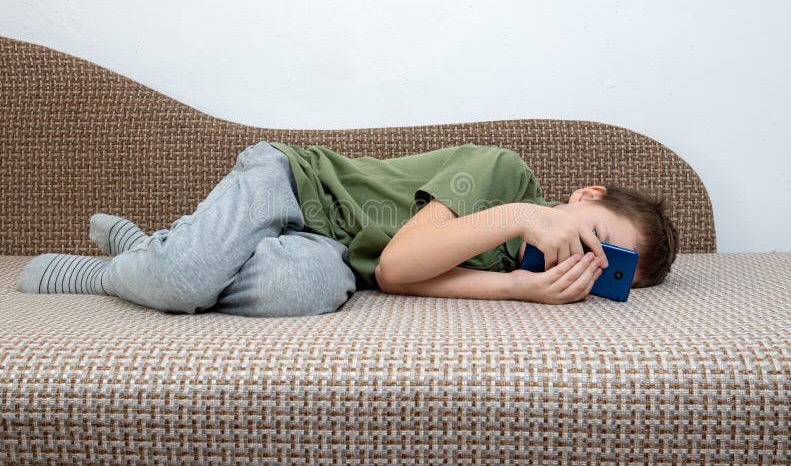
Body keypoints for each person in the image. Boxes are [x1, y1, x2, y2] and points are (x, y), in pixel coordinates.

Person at [16, 140, 678, 316]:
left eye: (603, 271)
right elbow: (402, 259)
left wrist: (521, 291)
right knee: (185, 277)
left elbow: (396, 283)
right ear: (583, 194)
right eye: (592, 235)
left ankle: (159, 259)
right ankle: (121, 266)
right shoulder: (506, 177)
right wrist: (522, 214)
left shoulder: (514, 268)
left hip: (326, 251)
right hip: (293, 183)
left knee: (303, 290)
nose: (580, 257)